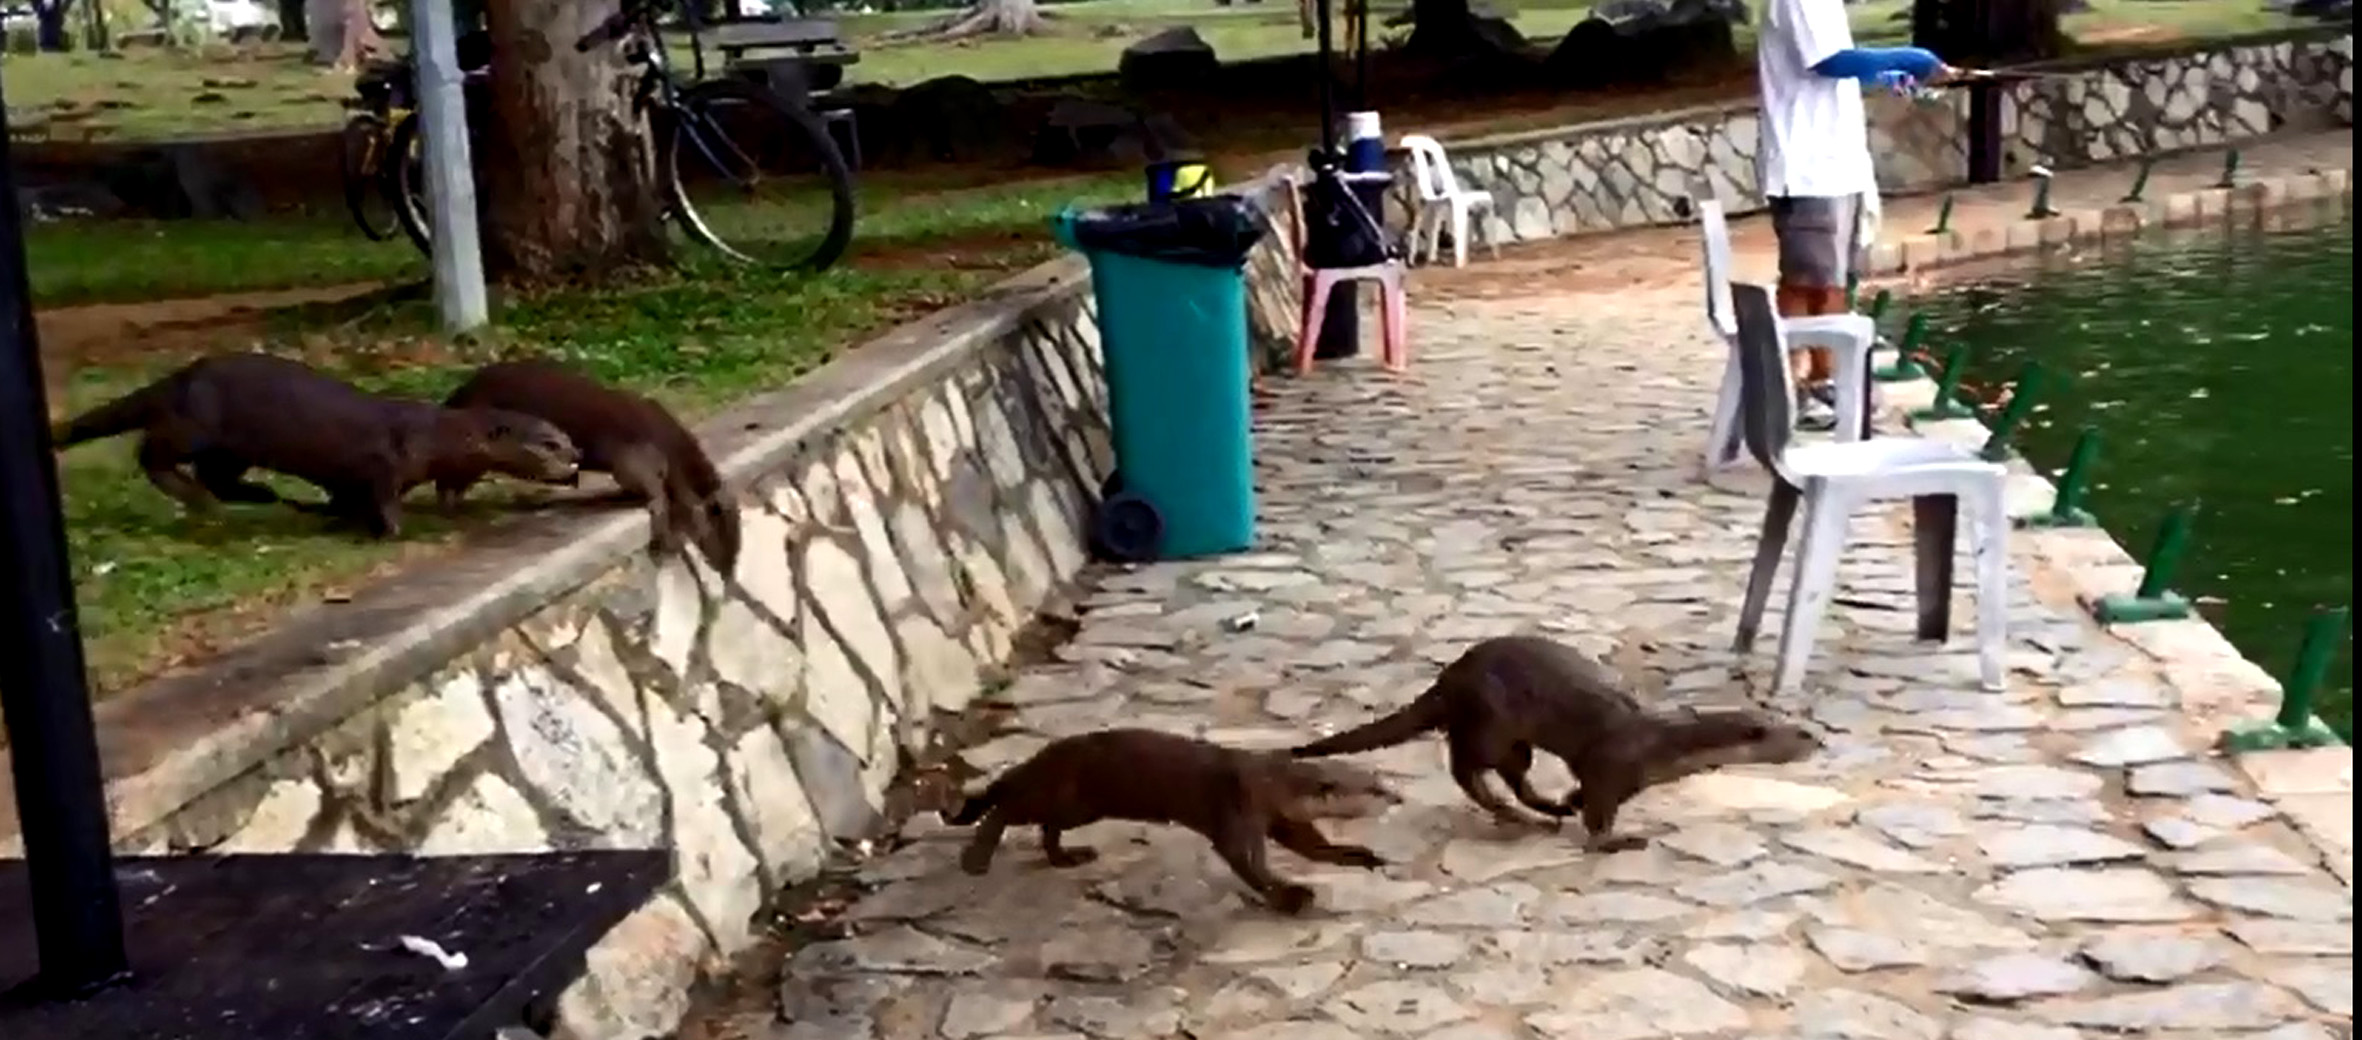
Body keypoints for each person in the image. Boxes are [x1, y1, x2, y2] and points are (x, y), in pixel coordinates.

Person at [1756, 0, 1953, 429]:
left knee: (1831, 282)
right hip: (1809, 171)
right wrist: (1911, 57)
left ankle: (1819, 381)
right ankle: (1807, 388)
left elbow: (1839, 68)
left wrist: (1891, 76)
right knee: (1812, 283)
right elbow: (1830, 61)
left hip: (1836, 168)